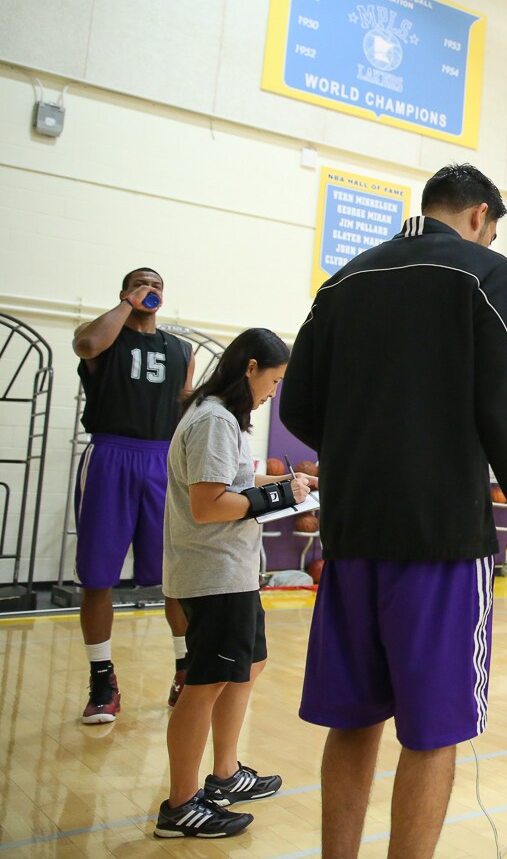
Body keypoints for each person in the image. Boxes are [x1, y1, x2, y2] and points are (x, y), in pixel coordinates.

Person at [279, 164, 507, 859]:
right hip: (439, 539)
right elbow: (506, 410)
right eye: (492, 229)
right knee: (432, 732)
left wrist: (365, 449)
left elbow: (296, 406)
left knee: (351, 723)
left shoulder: (342, 281)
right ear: (478, 218)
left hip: (350, 538)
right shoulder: (485, 273)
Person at [157, 329, 312, 838]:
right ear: (250, 368)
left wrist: (289, 486)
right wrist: (277, 500)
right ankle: (180, 806)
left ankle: (224, 775)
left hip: (234, 571)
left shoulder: (221, 420)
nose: (274, 391)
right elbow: (208, 506)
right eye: (274, 379)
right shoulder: (213, 422)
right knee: (203, 686)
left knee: (249, 665)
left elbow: (233, 486)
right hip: (212, 574)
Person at [71, 267, 195, 723]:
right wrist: (127, 304)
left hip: (161, 460)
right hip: (110, 454)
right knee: (97, 575)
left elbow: (185, 408)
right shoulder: (104, 337)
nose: (152, 289)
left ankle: (186, 669)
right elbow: (85, 346)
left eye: (159, 284)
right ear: (126, 290)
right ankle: (102, 679)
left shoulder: (182, 350)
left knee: (174, 573)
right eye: (144, 283)